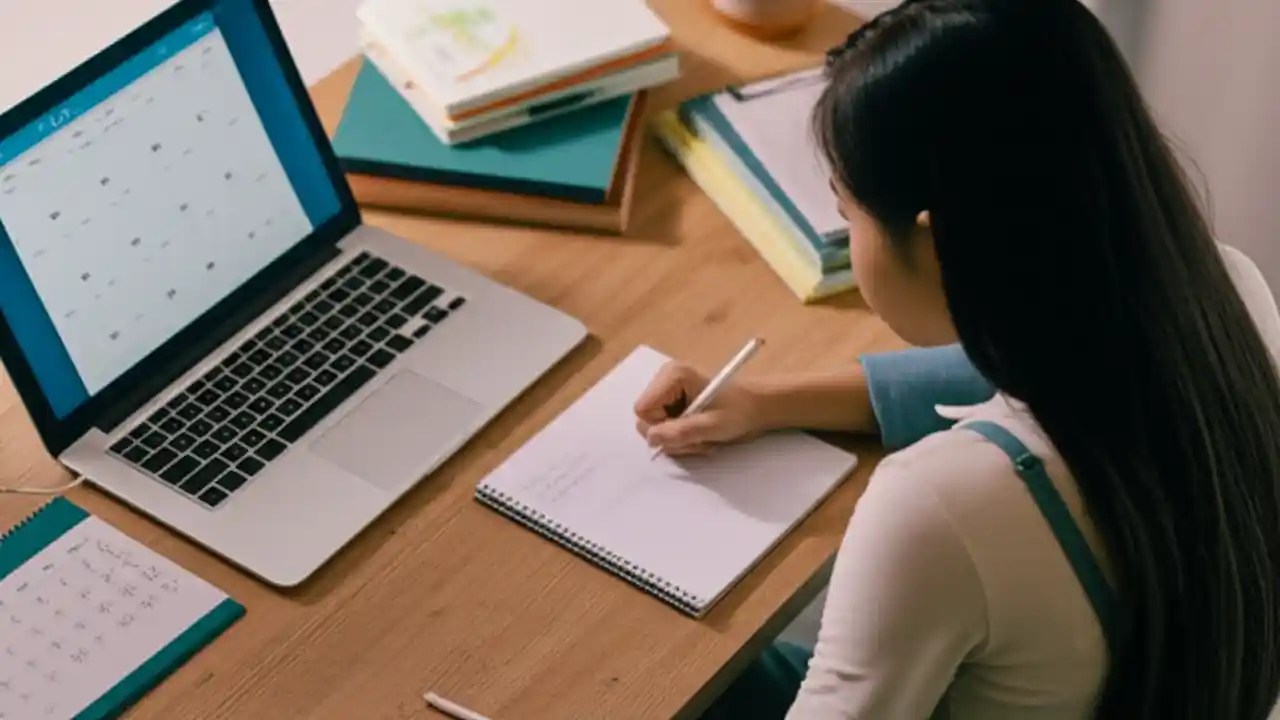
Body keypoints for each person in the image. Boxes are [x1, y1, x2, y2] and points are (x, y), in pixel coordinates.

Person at [633, 1, 1280, 718]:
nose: (850, 240)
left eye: (849, 215)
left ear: (935, 243)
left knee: (662, 664)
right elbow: (1031, 366)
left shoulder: (942, 506)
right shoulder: (1226, 296)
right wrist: (768, 401)